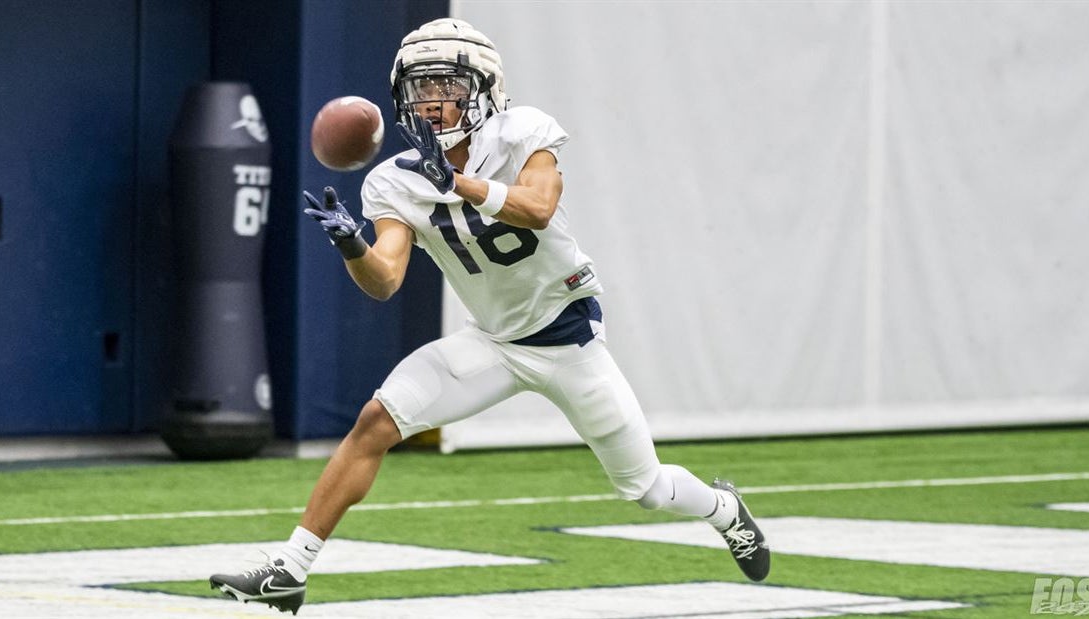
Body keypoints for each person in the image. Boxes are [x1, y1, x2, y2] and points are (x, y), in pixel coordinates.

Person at [210, 17, 769, 615]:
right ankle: (290, 570)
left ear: (483, 85)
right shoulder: (392, 182)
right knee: (376, 421)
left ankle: (723, 509)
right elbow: (385, 280)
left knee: (647, 490)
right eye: (420, 87)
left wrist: (458, 182)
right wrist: (353, 245)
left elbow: (537, 208)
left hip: (567, 340)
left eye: (445, 84)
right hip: (493, 342)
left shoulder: (523, 131)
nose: (432, 101)